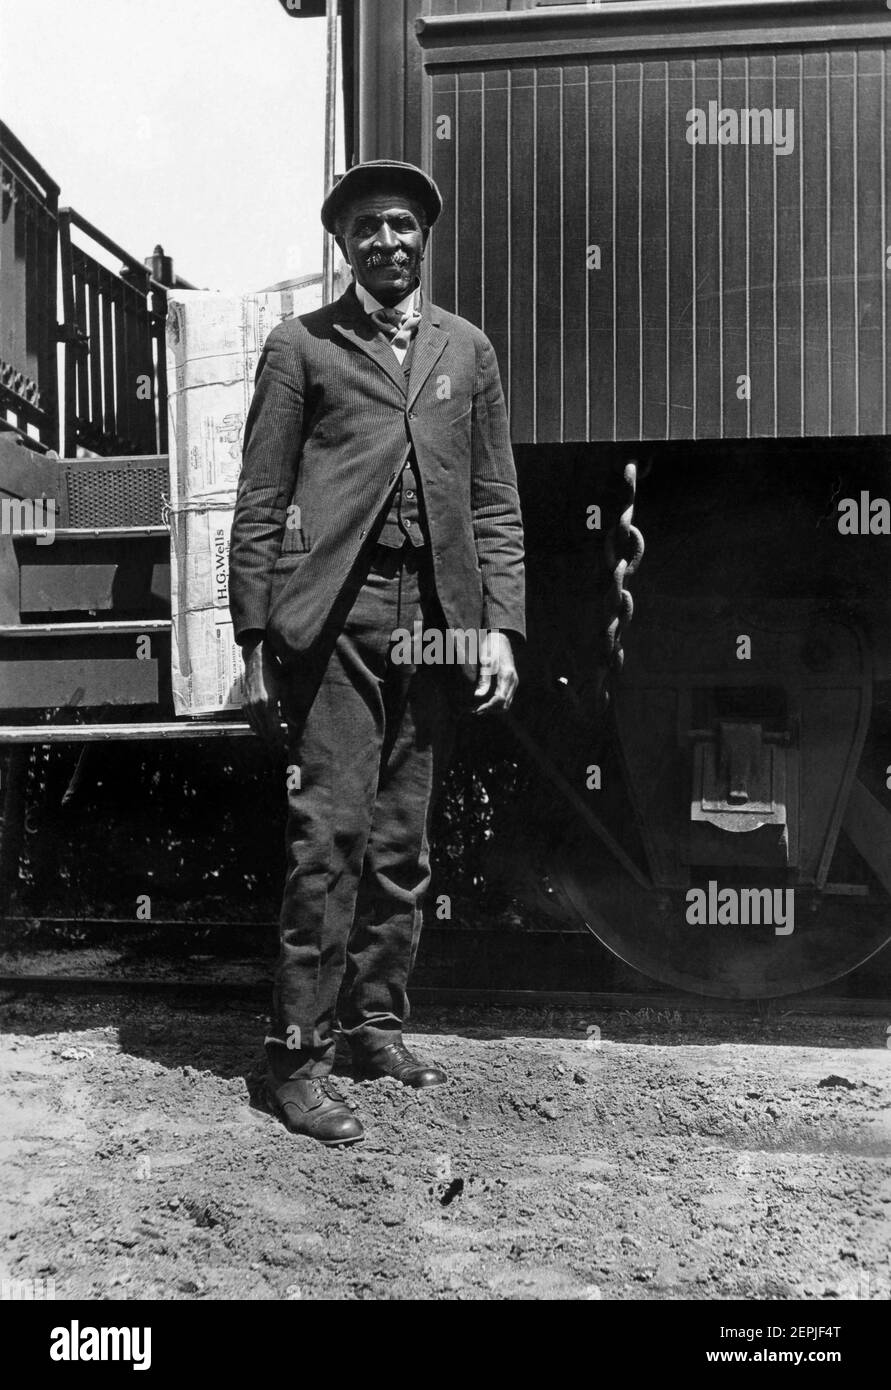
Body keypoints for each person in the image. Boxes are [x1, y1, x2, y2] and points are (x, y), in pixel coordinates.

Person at [229, 159, 525, 1146]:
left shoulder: (467, 352)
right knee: (331, 840)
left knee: (402, 839)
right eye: (367, 230)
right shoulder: (300, 348)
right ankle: (297, 1057)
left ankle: (373, 1026)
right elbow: (261, 502)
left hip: (434, 619)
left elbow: (494, 505)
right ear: (343, 244)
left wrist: (498, 628)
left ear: (424, 238)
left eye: (402, 226)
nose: (387, 242)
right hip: (338, 619)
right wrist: (250, 632)